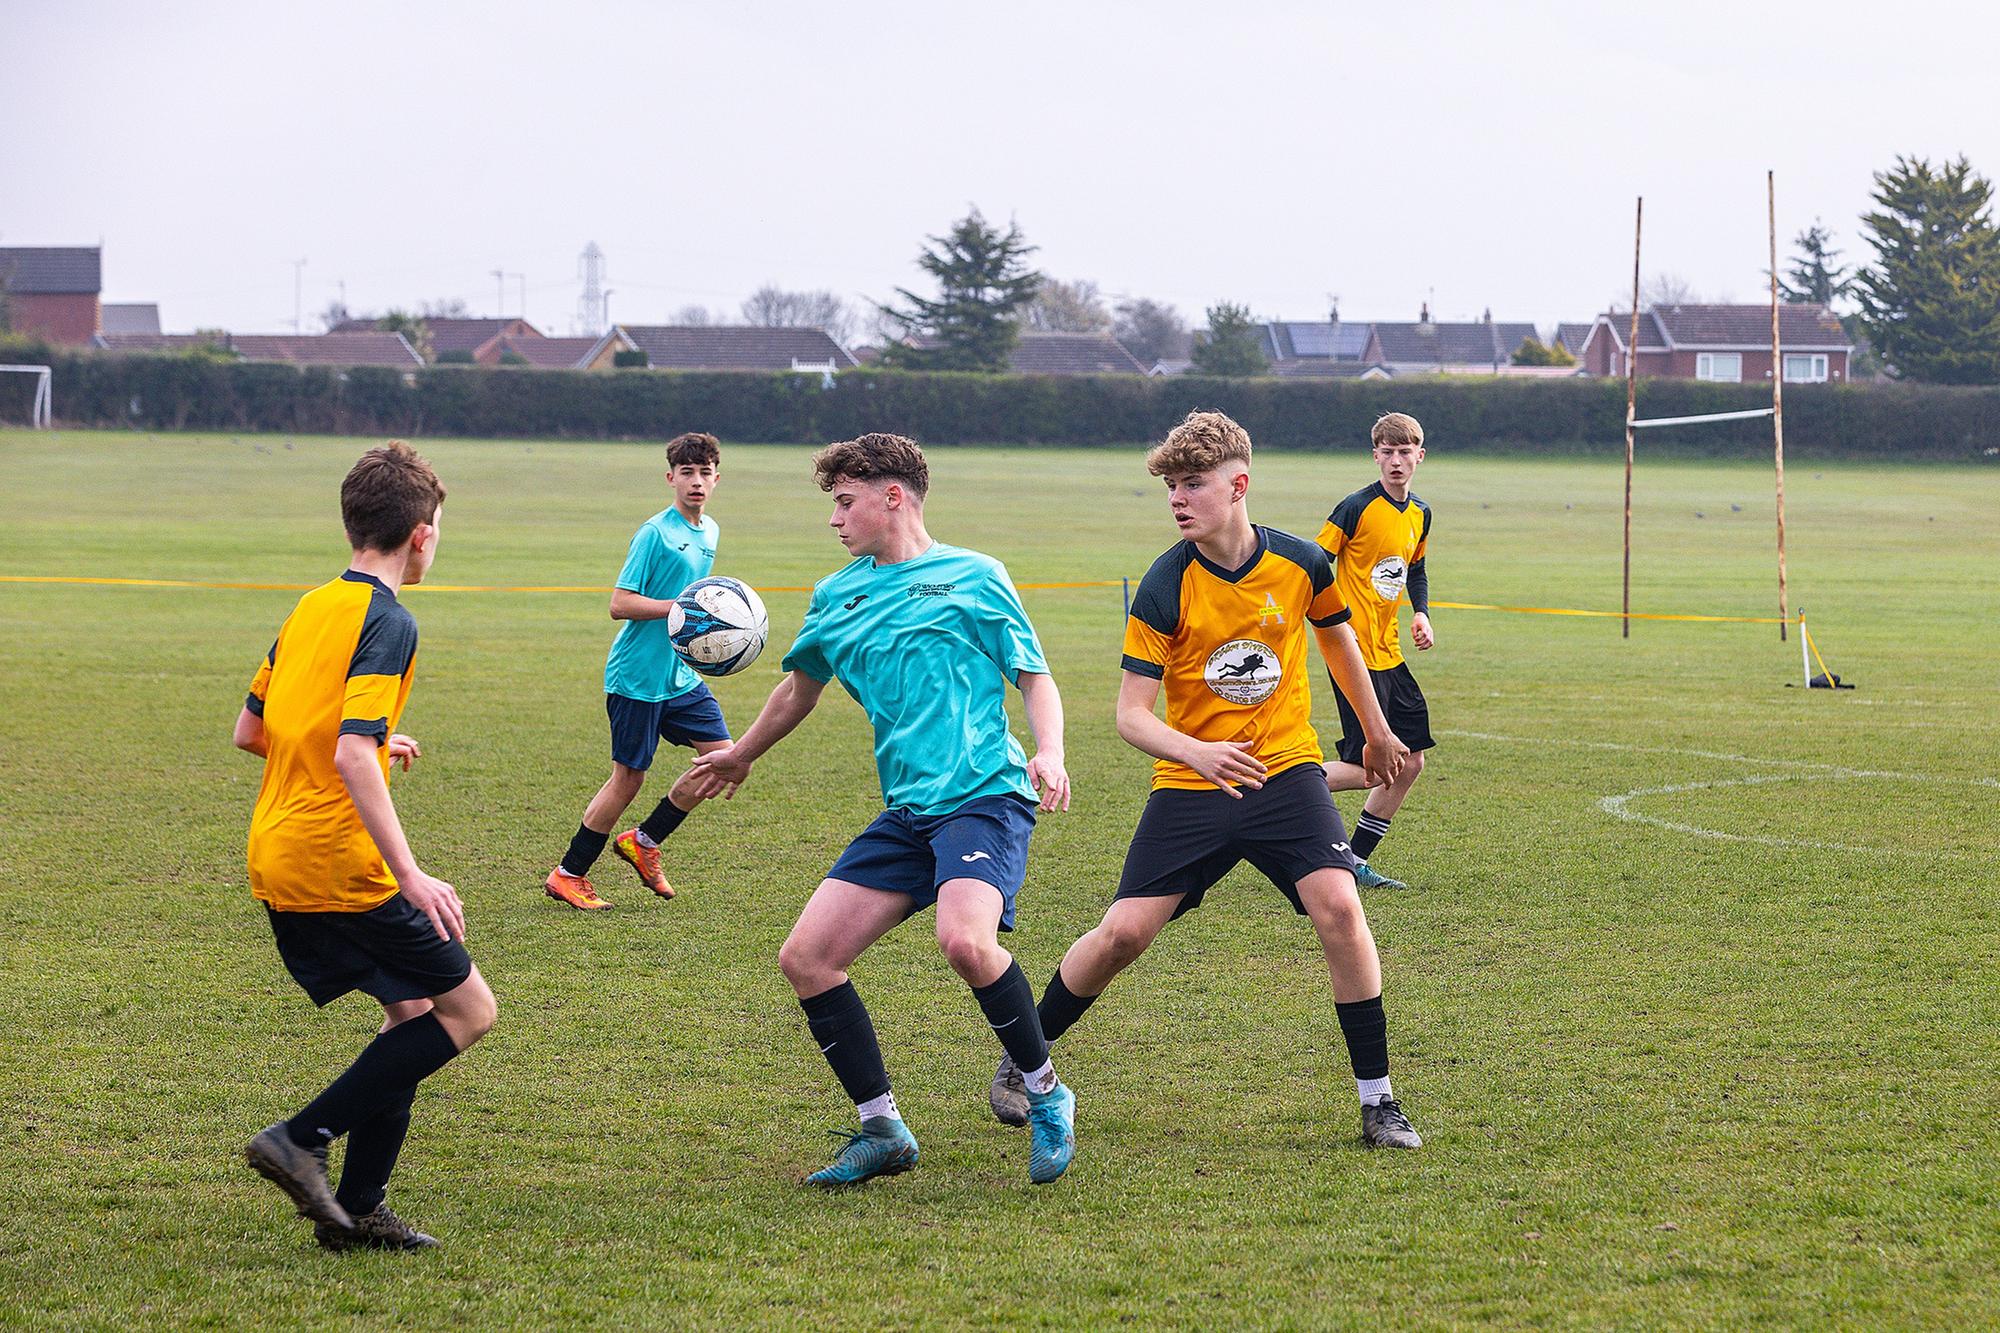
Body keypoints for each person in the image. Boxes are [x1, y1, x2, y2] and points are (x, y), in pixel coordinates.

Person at [987, 410, 1422, 1150]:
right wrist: (1199, 754)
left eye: (1193, 484)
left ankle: (1379, 1101)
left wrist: (1377, 729)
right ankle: (1022, 1060)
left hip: (1285, 773)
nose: (1178, 499)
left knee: (1341, 912)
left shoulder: (1299, 564)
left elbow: (1338, 638)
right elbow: (1131, 716)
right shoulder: (1166, 582)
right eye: (1171, 486)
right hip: (1192, 787)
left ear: (1238, 485)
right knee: (1123, 934)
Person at [686, 432, 1079, 1186]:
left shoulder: (975, 575)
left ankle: (1047, 1093)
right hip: (907, 813)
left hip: (985, 797)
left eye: (844, 501)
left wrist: (1050, 749)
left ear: (891, 496)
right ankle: (882, 1127)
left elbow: (1034, 675)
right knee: (806, 958)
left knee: (964, 941)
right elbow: (799, 686)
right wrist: (741, 753)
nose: (835, 519)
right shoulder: (838, 593)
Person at [235, 441, 498, 1250]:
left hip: (277, 851)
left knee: (410, 1013)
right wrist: (411, 873)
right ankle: (301, 1137)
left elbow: (253, 730)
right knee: (468, 1010)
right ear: (422, 534)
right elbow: (348, 753)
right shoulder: (391, 621)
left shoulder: (312, 606)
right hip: (337, 863)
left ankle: (354, 1213)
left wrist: (380, 745)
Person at [545, 432, 732, 910]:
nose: (696, 481)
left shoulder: (709, 530)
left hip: (681, 676)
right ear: (670, 478)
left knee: (726, 759)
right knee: (628, 779)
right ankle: (569, 873)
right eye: (687, 472)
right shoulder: (655, 533)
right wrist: (681, 608)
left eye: (705, 472)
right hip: (637, 678)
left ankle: (644, 841)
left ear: (716, 478)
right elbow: (620, 604)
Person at [1318, 412, 1436, 891]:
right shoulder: (1355, 507)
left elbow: (1417, 571)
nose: (1395, 461)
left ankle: (1354, 861)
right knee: (1372, 768)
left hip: (1389, 653)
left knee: (1409, 762)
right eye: (1387, 452)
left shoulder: (1420, 514)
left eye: (1404, 452)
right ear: (1375, 456)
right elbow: (1314, 563)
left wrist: (1422, 613)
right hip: (1351, 655)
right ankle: (1278, 783)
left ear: (1419, 457)